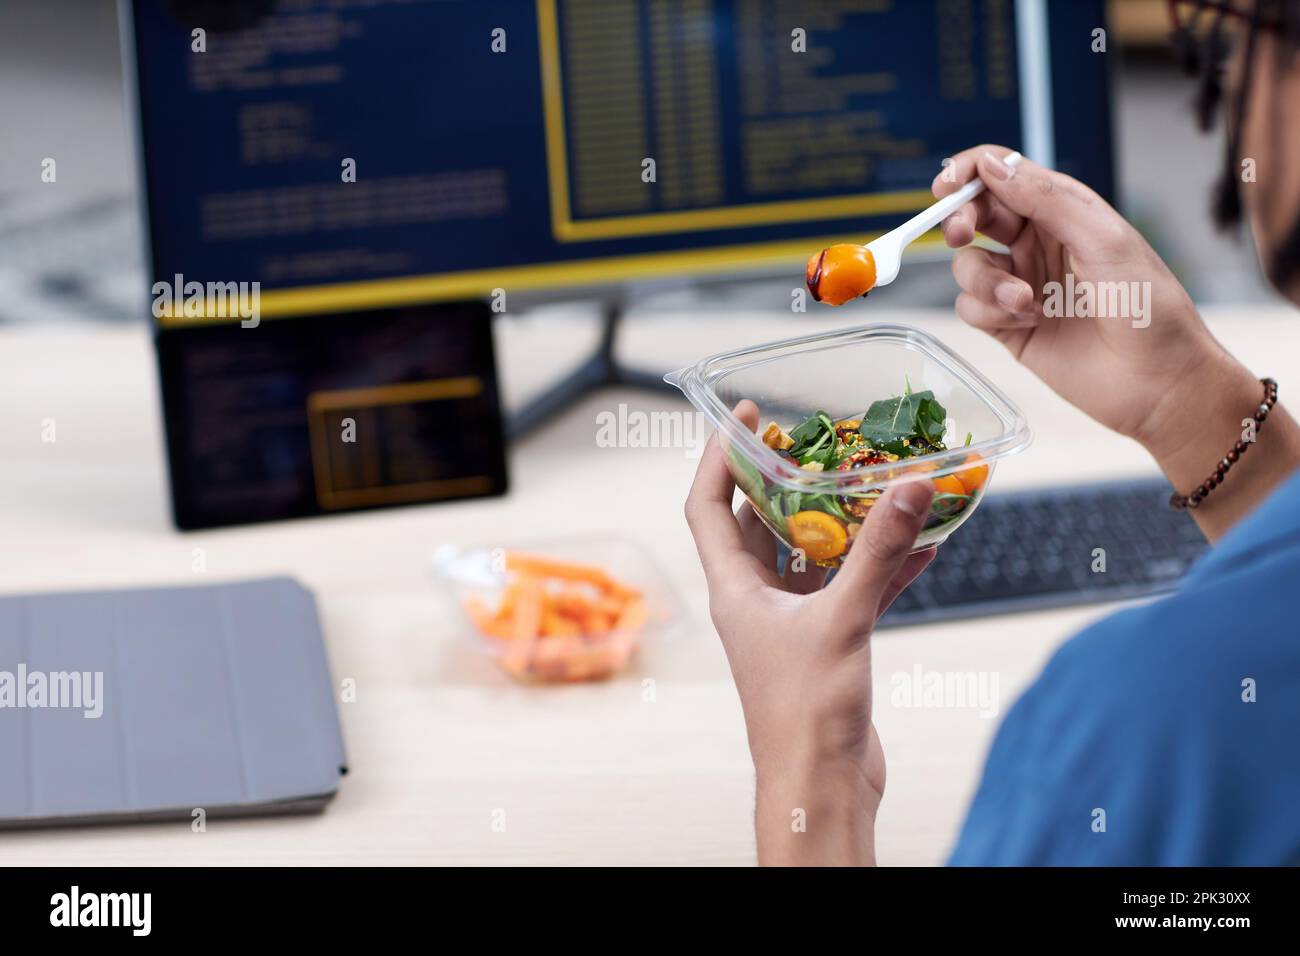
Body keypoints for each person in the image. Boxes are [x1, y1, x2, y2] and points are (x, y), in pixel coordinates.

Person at [683, 0, 1300, 865]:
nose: (1228, 78)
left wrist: (809, 773)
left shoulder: (1144, 726)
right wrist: (1186, 399)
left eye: (1237, 37)